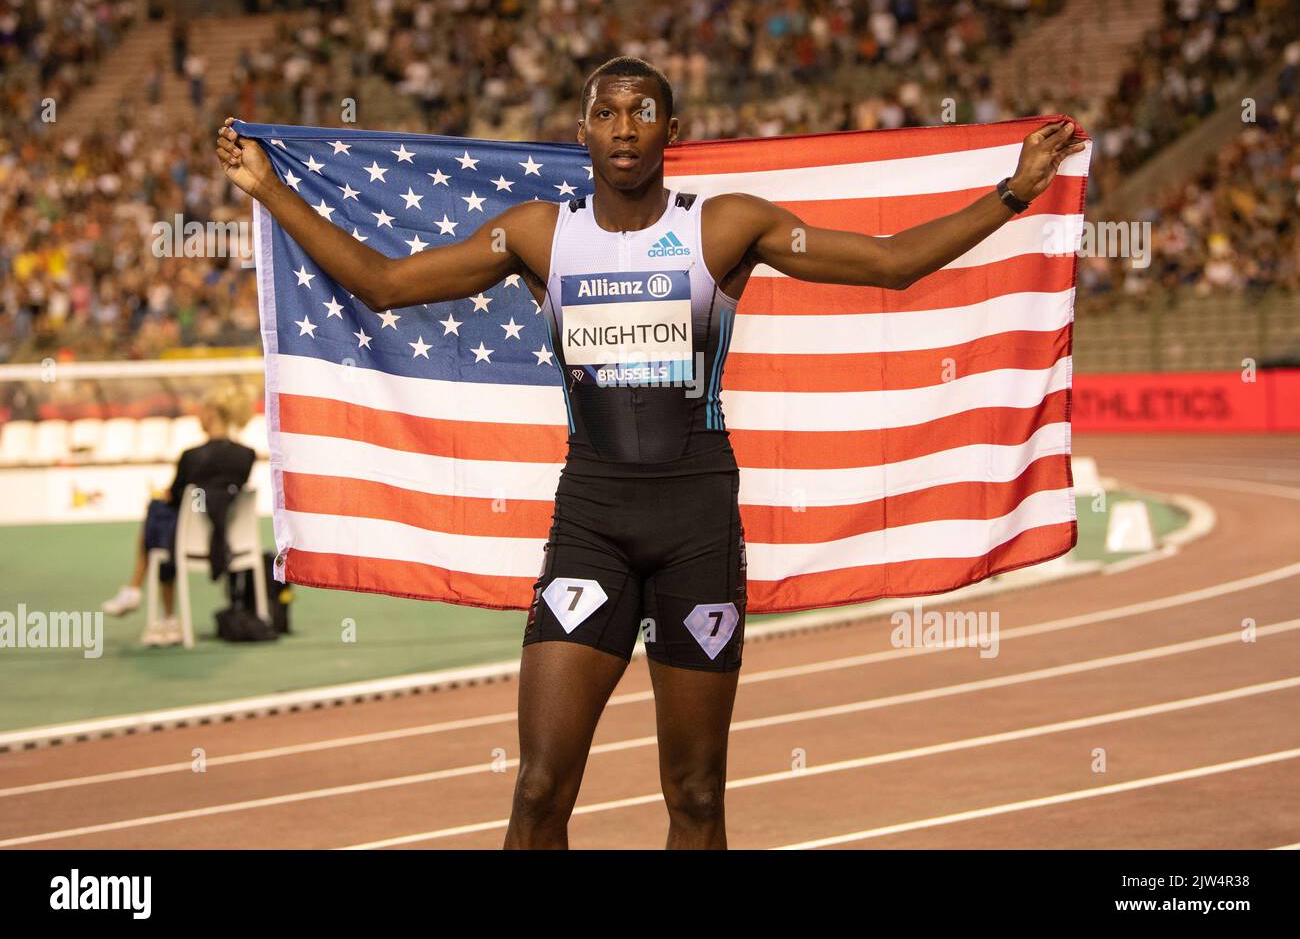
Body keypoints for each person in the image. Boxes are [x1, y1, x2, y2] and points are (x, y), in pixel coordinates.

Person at [215, 55, 1084, 848]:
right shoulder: (537, 236)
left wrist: (1013, 194)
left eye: (641, 111)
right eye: (605, 111)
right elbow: (386, 283)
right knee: (540, 788)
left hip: (698, 527)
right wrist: (267, 189)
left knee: (697, 796)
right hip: (590, 520)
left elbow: (892, 263)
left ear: (673, 132)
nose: (623, 126)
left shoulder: (726, 228)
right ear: (582, 130)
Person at [103, 386, 257, 646]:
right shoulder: (246, 455)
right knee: (163, 517)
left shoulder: (191, 456)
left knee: (157, 514)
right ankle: (137, 595)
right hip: (230, 540)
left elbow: (177, 497)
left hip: (188, 543)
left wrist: (161, 498)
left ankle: (155, 606)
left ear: (210, 414)